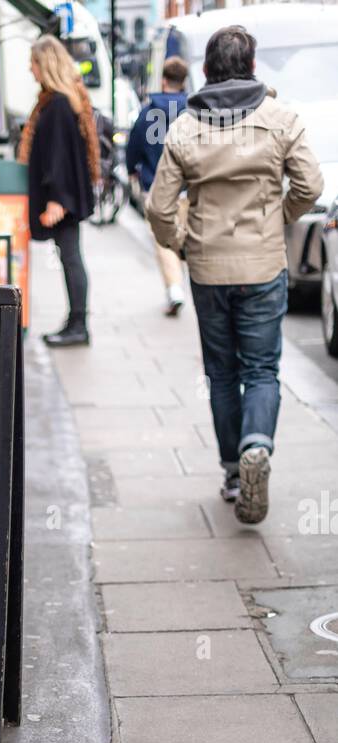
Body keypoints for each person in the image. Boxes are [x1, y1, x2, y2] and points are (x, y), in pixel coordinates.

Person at [147, 25, 322, 523]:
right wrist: (280, 217)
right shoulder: (281, 117)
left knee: (222, 373)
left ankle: (231, 471)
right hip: (264, 263)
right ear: (251, 67)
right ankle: (257, 444)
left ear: (206, 70)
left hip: (207, 266)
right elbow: (310, 184)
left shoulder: (183, 128)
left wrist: (179, 243)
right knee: (261, 369)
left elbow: (159, 207)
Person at [19, 35, 101, 348]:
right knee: (70, 257)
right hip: (68, 196)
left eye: (33, 63)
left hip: (62, 198)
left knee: (70, 257)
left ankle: (78, 325)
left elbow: (58, 156)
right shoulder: (63, 100)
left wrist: (56, 199)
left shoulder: (57, 105)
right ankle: (75, 321)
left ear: (46, 64)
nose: (30, 69)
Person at [126, 55, 188, 316]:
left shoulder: (149, 110)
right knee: (187, 237)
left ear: (163, 80)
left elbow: (134, 145)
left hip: (158, 186)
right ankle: (191, 284)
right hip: (188, 187)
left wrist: (132, 171)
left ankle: (175, 289)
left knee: (164, 241)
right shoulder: (194, 110)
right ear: (183, 81)